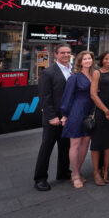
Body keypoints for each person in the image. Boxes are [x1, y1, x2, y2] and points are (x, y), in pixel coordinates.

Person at [33, 43, 72, 191]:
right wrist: (52, 117)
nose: (66, 55)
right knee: (47, 148)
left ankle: (63, 172)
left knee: (65, 147)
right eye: (62, 53)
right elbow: (45, 97)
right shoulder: (48, 72)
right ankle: (40, 178)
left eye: (68, 53)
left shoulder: (72, 70)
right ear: (56, 54)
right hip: (54, 119)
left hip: (67, 118)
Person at [60, 50, 95, 189]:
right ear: (80, 61)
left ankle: (78, 171)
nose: (87, 61)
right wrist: (64, 115)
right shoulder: (74, 77)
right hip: (77, 111)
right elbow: (67, 97)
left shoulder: (94, 75)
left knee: (85, 143)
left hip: (90, 112)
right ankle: (74, 174)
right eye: (85, 59)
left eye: (89, 58)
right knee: (75, 143)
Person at [89, 51, 109, 186]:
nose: (108, 61)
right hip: (101, 112)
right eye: (106, 59)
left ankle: (106, 170)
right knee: (96, 144)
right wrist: (106, 110)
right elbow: (93, 94)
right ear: (102, 60)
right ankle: (96, 172)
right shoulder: (97, 73)